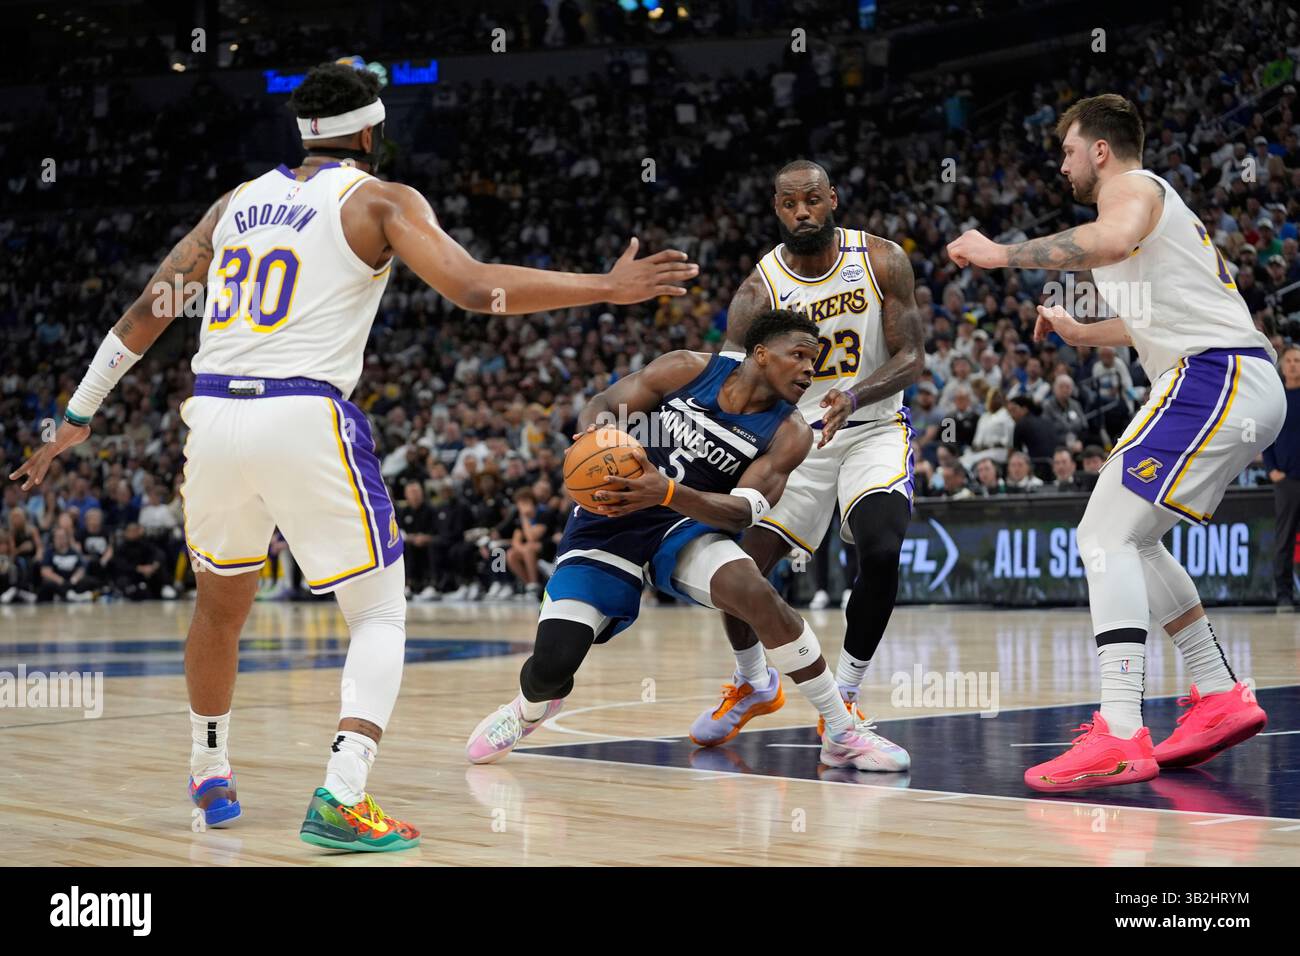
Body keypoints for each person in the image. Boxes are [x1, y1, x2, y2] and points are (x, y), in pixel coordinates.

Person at [9, 61, 698, 850]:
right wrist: (605, 288)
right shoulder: (381, 199)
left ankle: (208, 767)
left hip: (212, 419)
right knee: (377, 610)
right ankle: (341, 792)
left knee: (219, 609)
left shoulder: (234, 203)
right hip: (303, 413)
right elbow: (474, 290)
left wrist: (75, 417)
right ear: (372, 131)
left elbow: (148, 309)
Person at [949, 93, 1284, 791]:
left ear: (1100, 149)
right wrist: (1080, 333)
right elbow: (1151, 321)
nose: (1063, 163)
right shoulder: (1151, 221)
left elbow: (1103, 242)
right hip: (1221, 375)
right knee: (1131, 537)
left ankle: (1122, 730)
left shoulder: (1130, 189)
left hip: (1212, 373)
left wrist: (1001, 254)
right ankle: (1217, 691)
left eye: (1068, 149)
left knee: (1102, 533)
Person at [467, 311, 899, 772]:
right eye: (798, 355)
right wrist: (593, 437)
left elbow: (743, 510)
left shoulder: (790, 432)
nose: (809, 370)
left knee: (755, 592)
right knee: (551, 667)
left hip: (687, 525)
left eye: (814, 361)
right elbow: (606, 400)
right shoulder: (688, 369)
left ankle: (840, 730)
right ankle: (528, 709)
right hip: (609, 523)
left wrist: (669, 493)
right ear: (759, 354)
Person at [686, 160, 922, 768]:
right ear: (777, 209)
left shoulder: (882, 260)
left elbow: (913, 356)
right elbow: (731, 384)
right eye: (790, 204)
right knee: (737, 570)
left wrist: (853, 395)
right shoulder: (760, 287)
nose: (803, 213)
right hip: (797, 442)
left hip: (871, 427)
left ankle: (841, 697)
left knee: (880, 549)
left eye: (813, 200)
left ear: (833, 199)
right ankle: (754, 682)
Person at [1266, 344, 1300, 608]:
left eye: (1297, 360)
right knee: (1284, 539)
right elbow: (1265, 435)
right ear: (1282, 365)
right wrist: (1272, 470)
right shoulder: (1275, 397)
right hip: (1285, 480)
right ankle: (1284, 595)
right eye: (1289, 360)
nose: (1292, 365)